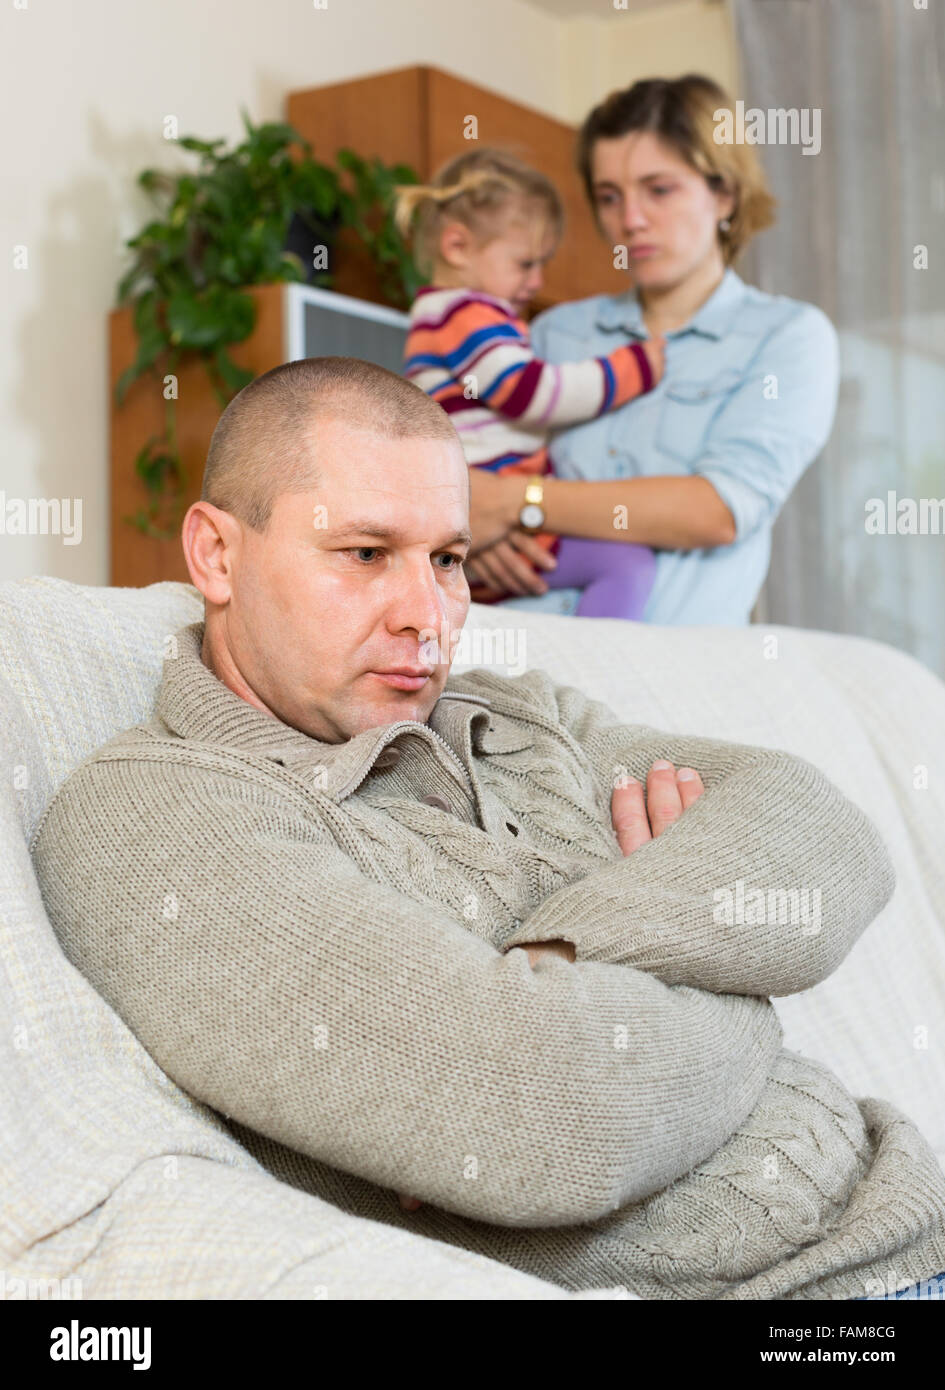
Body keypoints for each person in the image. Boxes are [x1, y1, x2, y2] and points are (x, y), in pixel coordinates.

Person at [30, 358, 945, 1300]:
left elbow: (823, 829)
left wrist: (558, 959)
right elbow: (549, 1116)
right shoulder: (161, 819)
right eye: (364, 554)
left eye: (448, 559)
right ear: (216, 556)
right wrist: (736, 966)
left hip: (914, 1210)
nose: (426, 619)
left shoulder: (513, 714)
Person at [463, 74, 840, 625]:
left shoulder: (788, 336)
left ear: (724, 193)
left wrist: (508, 501)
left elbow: (717, 510)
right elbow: (476, 457)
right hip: (519, 649)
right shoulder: (555, 332)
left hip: (660, 670)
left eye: (659, 189)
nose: (630, 220)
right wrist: (471, 533)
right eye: (609, 197)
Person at [394, 147, 663, 619]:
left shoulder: (447, 315)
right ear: (457, 247)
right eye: (525, 264)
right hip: (493, 521)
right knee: (629, 563)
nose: (537, 281)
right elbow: (529, 393)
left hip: (484, 522)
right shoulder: (464, 315)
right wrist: (632, 368)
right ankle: (597, 685)